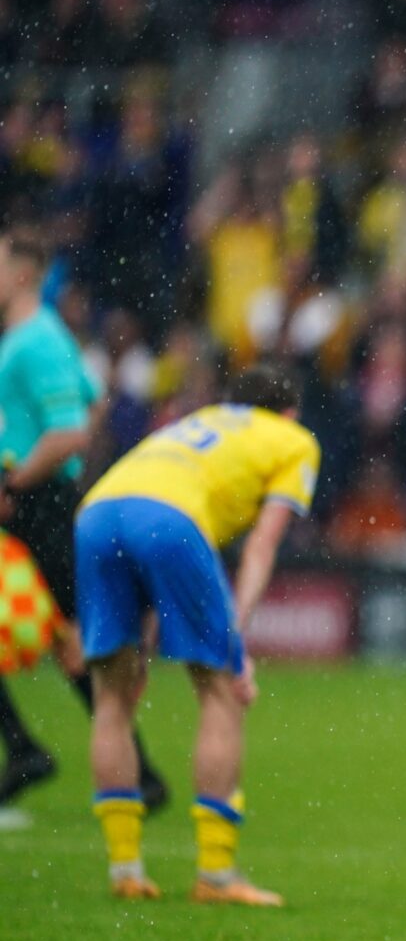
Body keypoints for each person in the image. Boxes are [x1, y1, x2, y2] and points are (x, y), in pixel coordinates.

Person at [77, 363, 321, 905]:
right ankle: (216, 875)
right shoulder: (293, 439)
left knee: (111, 699)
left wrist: (141, 642)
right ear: (288, 411)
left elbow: (136, 513)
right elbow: (262, 545)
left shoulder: (200, 420)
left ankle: (125, 869)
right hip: (169, 520)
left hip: (96, 512)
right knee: (220, 692)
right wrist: (236, 640)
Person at [0, 224, 170, 817]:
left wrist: (19, 477)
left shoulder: (33, 342)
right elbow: (92, 401)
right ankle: (129, 770)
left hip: (30, 501)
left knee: (78, 641)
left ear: (23, 272)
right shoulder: (46, 336)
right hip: (43, 498)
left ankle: (30, 751)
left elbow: (70, 427)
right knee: (75, 641)